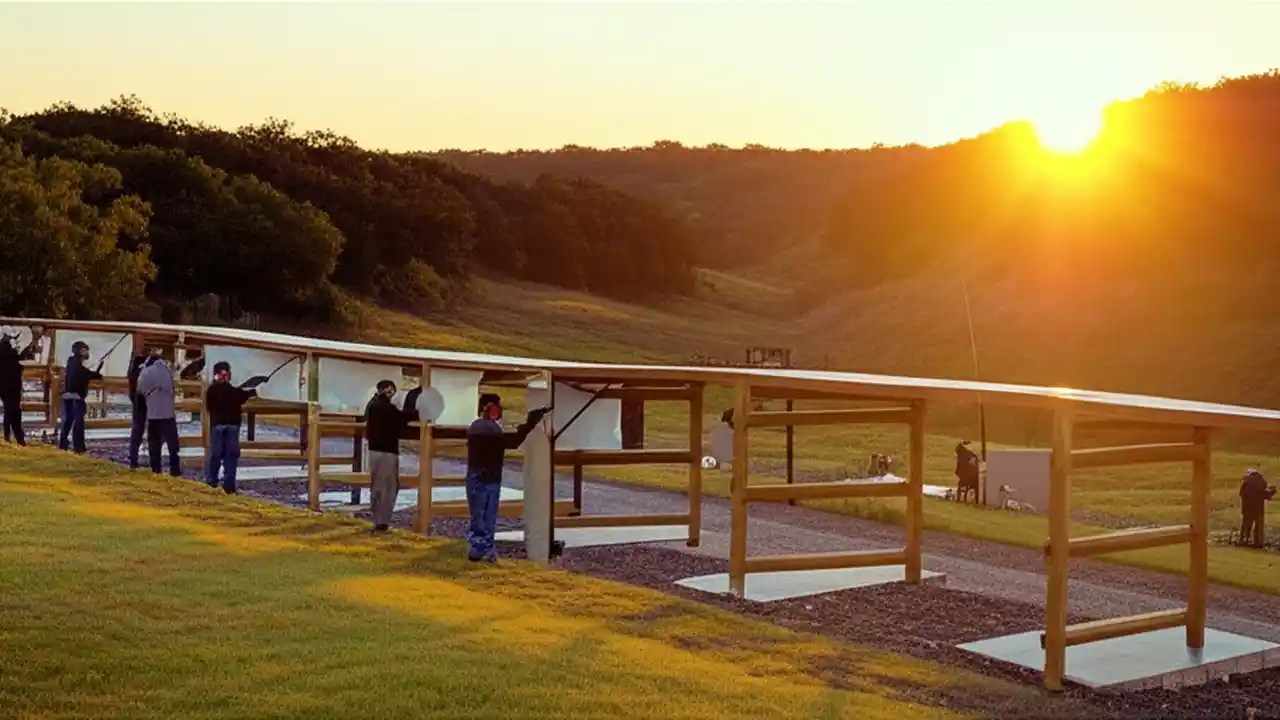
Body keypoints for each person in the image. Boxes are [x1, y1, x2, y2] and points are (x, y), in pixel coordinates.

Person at [465, 393, 549, 562]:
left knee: (481, 515)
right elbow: (511, 441)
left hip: (479, 477)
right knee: (486, 515)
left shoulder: (478, 427)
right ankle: (481, 547)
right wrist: (530, 422)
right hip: (487, 478)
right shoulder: (487, 428)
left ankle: (482, 547)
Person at [363, 380, 419, 533]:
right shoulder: (385, 407)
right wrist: (418, 411)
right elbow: (400, 418)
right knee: (388, 487)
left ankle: (378, 519)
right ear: (387, 390)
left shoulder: (372, 405)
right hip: (387, 451)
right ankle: (382, 522)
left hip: (374, 450)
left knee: (377, 486)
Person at [204, 361, 259, 494]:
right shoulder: (235, 391)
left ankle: (211, 482)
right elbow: (244, 396)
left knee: (215, 455)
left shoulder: (212, 390)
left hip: (218, 425)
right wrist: (251, 392)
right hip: (232, 425)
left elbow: (208, 407)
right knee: (230, 456)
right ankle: (228, 485)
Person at [136, 355, 181, 477]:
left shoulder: (146, 372)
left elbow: (139, 389)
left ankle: (156, 470)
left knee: (154, 444)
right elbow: (173, 390)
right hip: (168, 414)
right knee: (173, 446)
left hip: (153, 414)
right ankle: (175, 470)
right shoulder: (167, 371)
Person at [60, 341, 103, 453]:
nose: (87, 352)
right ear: (80, 351)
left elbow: (85, 373)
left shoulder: (71, 361)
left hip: (67, 396)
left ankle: (63, 444)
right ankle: (78, 447)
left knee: (68, 421)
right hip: (77, 397)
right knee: (78, 423)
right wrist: (97, 373)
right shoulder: (78, 365)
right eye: (85, 350)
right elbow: (87, 374)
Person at [126, 348, 162, 469]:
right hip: (149, 402)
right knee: (153, 432)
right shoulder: (153, 368)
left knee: (137, 430)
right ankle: (154, 461)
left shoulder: (136, 367)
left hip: (139, 401)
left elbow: (132, 385)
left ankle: (133, 458)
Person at [0, 333, 37, 446]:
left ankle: (8, 436)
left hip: (2, 387)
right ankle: (17, 438)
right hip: (12, 387)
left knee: (8, 411)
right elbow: (18, 367)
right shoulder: (12, 355)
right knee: (14, 412)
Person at [1239, 469, 1277, 548]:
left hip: (1247, 507)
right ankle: (1258, 542)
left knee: (1246, 523)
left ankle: (1243, 540)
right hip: (1258, 507)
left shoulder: (1246, 480)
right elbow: (1265, 493)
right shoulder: (1261, 480)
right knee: (1259, 524)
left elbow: (1241, 494)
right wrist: (1271, 492)